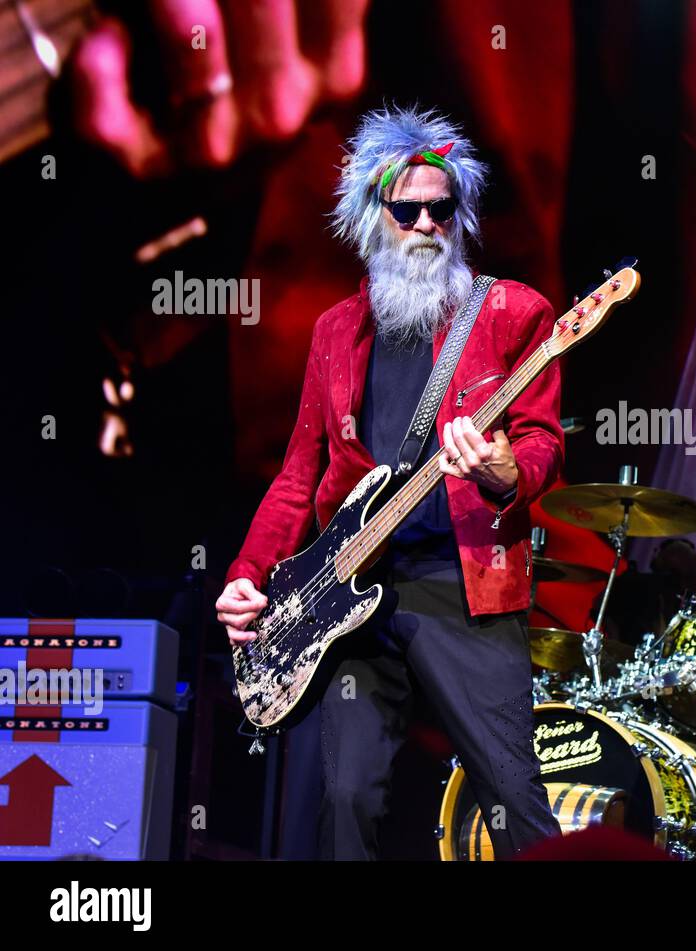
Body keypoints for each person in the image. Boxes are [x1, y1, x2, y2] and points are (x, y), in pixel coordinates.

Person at [214, 106, 562, 859]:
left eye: (444, 208)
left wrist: (502, 470)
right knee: (342, 799)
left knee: (514, 793)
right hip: (350, 593)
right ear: (375, 217)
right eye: (408, 210)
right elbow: (299, 472)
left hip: (463, 581)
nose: (428, 223)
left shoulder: (511, 312)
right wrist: (246, 575)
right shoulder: (334, 331)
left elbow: (540, 444)